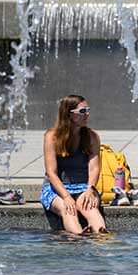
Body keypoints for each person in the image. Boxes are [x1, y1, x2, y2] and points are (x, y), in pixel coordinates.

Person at [41, 95, 107, 234]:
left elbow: (94, 168)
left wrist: (90, 190)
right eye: (82, 111)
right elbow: (51, 173)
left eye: (88, 110)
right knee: (67, 209)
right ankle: (78, 237)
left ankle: (101, 236)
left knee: (89, 207)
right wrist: (66, 196)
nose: (87, 114)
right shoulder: (52, 137)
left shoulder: (92, 136)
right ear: (68, 114)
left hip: (84, 186)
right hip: (57, 189)